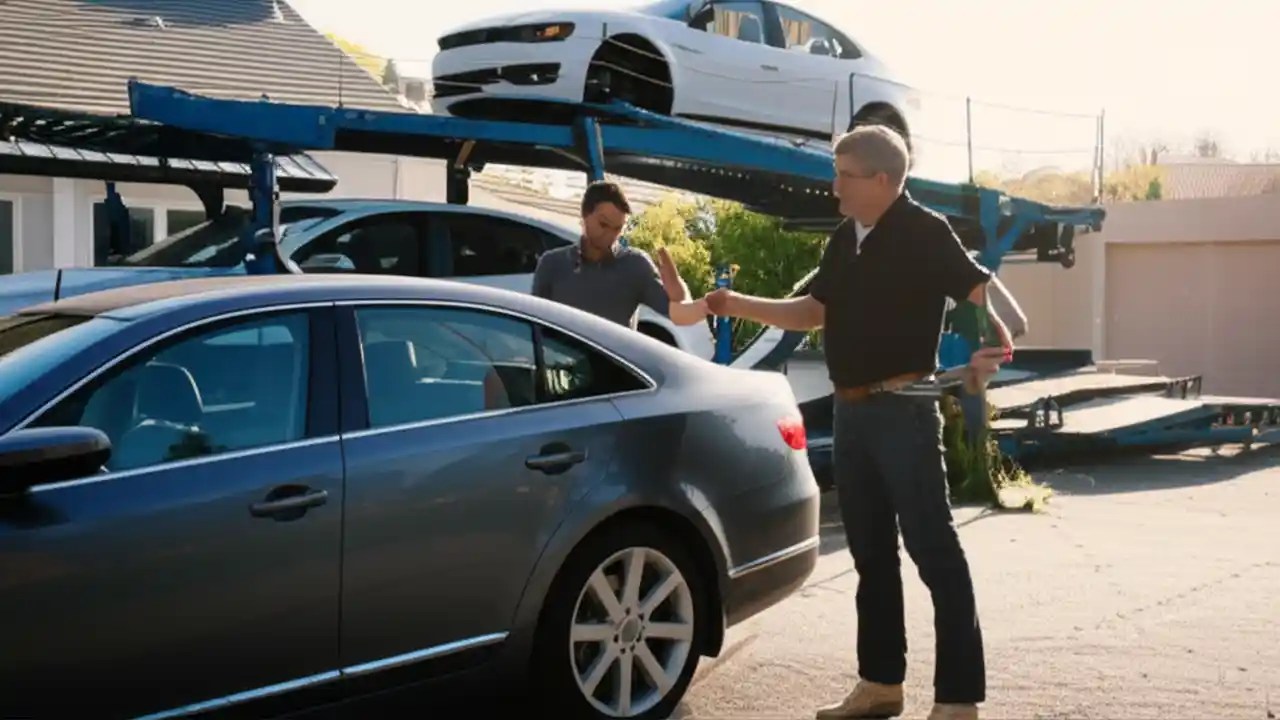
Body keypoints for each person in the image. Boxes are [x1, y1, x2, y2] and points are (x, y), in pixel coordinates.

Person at [704, 125, 1011, 720]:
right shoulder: (847, 238)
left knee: (933, 550)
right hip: (852, 412)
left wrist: (994, 347)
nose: (834, 186)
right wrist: (737, 304)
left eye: (844, 175)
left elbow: (990, 300)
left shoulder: (925, 231)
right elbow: (814, 312)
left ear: (882, 180)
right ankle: (879, 685)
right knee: (870, 554)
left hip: (905, 412)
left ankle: (958, 699)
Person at [532, 180, 708, 329]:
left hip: (615, 367)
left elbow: (679, 312)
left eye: (617, 229)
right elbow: (535, 325)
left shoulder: (635, 266)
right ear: (585, 215)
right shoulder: (552, 265)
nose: (609, 235)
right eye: (603, 224)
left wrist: (679, 288)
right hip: (562, 366)